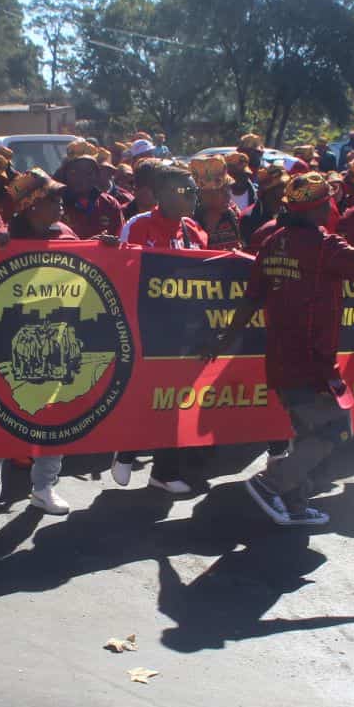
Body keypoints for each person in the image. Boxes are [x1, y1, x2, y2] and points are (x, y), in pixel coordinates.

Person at [208, 173, 354, 525]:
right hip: (311, 360)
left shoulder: (274, 242)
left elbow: (252, 298)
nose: (332, 208)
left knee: (308, 432)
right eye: (327, 203)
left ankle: (296, 504)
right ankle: (270, 484)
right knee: (336, 427)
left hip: (283, 356)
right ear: (319, 208)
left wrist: (225, 338)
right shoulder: (323, 245)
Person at [0, 170, 82, 515]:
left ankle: (44, 486)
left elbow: (91, 268)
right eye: (52, 199)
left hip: (57, 338)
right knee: (9, 403)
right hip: (13, 340)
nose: (60, 204)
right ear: (32, 205)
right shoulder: (2, 238)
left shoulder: (65, 234)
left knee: (56, 413)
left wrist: (107, 249)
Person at [113, 164, 208, 494]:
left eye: (195, 190)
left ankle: (164, 472)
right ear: (163, 194)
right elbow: (121, 274)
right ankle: (125, 448)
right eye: (187, 191)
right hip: (147, 330)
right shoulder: (138, 226)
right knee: (143, 397)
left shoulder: (195, 231)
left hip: (185, 333)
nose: (194, 196)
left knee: (175, 401)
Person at [59, 142, 125, 239]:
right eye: (75, 172)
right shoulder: (56, 204)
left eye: (88, 173)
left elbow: (121, 241)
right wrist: (88, 244)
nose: (82, 178)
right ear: (65, 175)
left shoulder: (109, 204)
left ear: (97, 175)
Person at [191, 157, 244, 250]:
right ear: (204, 194)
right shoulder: (190, 222)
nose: (228, 196)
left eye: (228, 190)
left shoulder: (233, 214)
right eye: (222, 191)